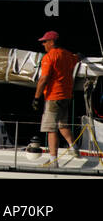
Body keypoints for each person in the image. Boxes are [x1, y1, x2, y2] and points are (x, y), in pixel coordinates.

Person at [34, 31, 79, 163]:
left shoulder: (49, 57)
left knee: (51, 129)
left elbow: (44, 79)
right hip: (66, 96)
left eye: (45, 42)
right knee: (62, 124)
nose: (43, 44)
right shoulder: (68, 55)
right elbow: (77, 58)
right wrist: (80, 56)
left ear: (52, 42)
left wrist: (36, 98)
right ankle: (74, 147)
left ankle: (53, 161)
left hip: (53, 97)